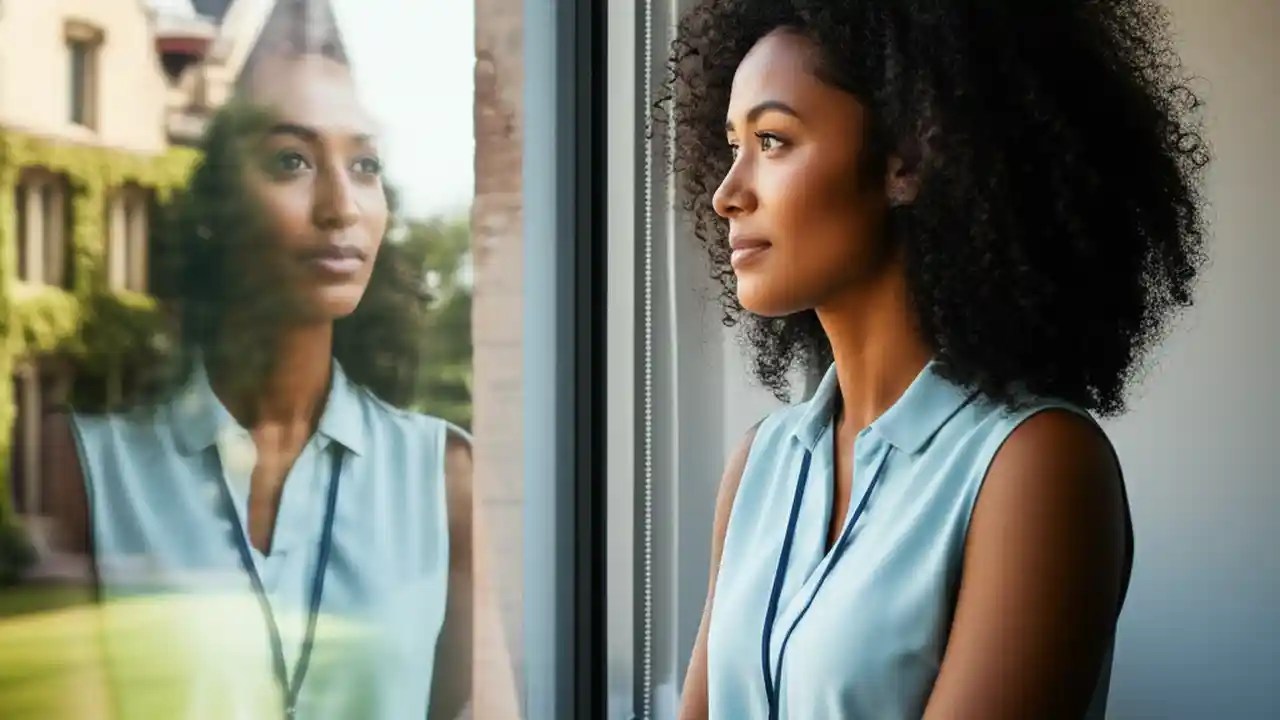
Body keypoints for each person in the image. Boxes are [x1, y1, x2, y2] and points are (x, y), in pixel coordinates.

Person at [667, 1, 1207, 718]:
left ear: (907, 160)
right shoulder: (759, 467)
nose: (726, 194)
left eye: (772, 141)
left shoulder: (1033, 464)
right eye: (730, 143)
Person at [38, 2, 479, 717]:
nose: (340, 206)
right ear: (214, 208)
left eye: (363, 164)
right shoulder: (89, 470)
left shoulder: (444, 478)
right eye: (291, 161)